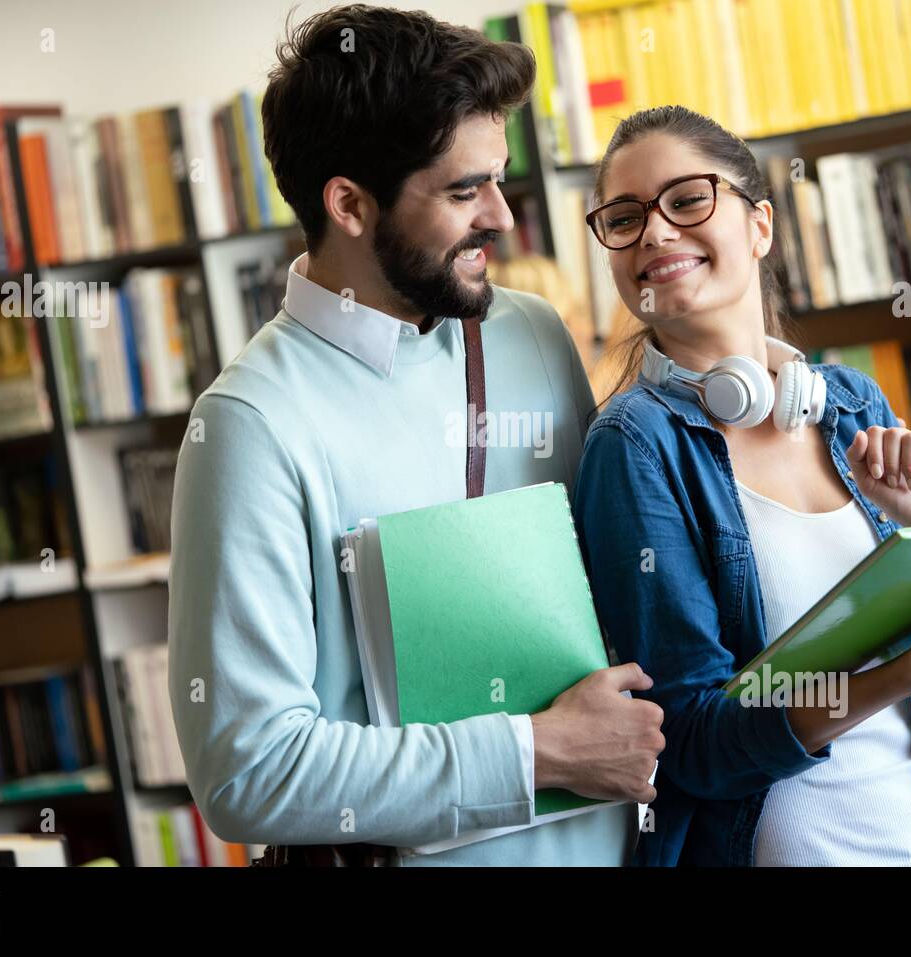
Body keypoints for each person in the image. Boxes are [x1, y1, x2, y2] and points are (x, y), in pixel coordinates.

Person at [166, 5, 661, 867]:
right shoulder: (250, 424)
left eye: (498, 179)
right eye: (464, 190)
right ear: (350, 204)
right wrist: (537, 750)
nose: (503, 218)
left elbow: (626, 585)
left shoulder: (533, 334)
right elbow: (245, 768)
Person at [572, 105, 911, 867]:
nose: (655, 233)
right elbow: (691, 743)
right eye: (624, 218)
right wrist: (905, 669)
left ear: (760, 226)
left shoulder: (851, 402)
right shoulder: (635, 445)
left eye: (688, 200)